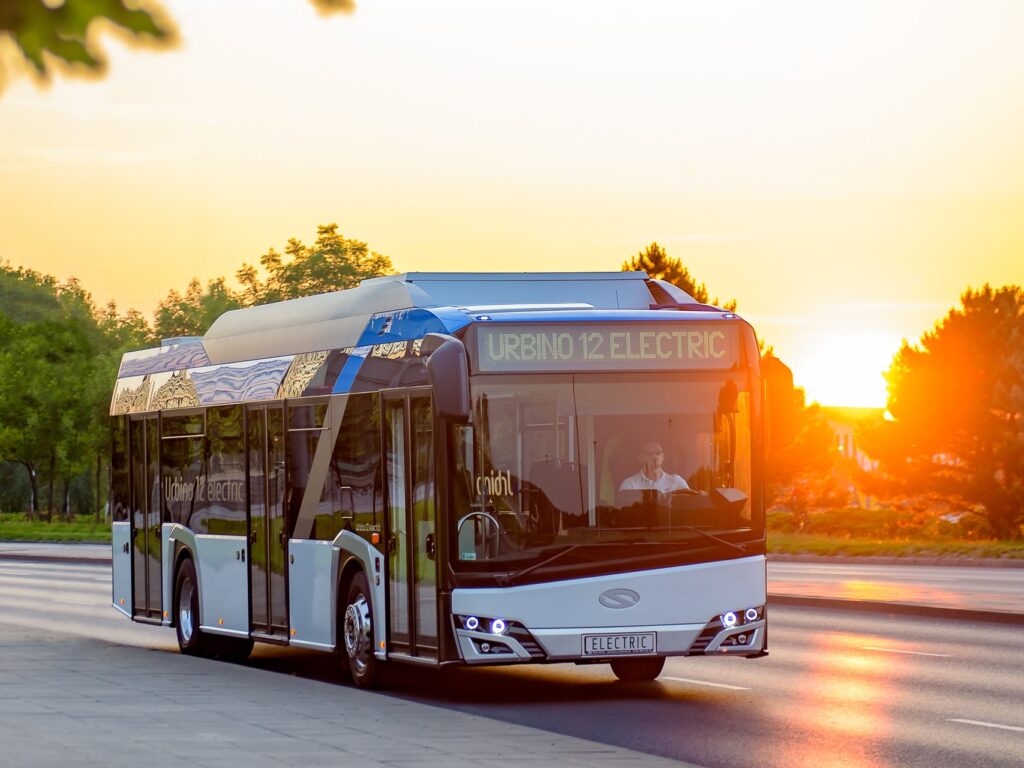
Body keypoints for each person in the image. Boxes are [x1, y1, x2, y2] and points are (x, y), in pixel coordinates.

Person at [618, 441, 690, 493]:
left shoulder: (676, 482)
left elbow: (690, 507)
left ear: (663, 456)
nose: (654, 456)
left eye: (658, 452)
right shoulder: (630, 485)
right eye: (649, 453)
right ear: (640, 458)